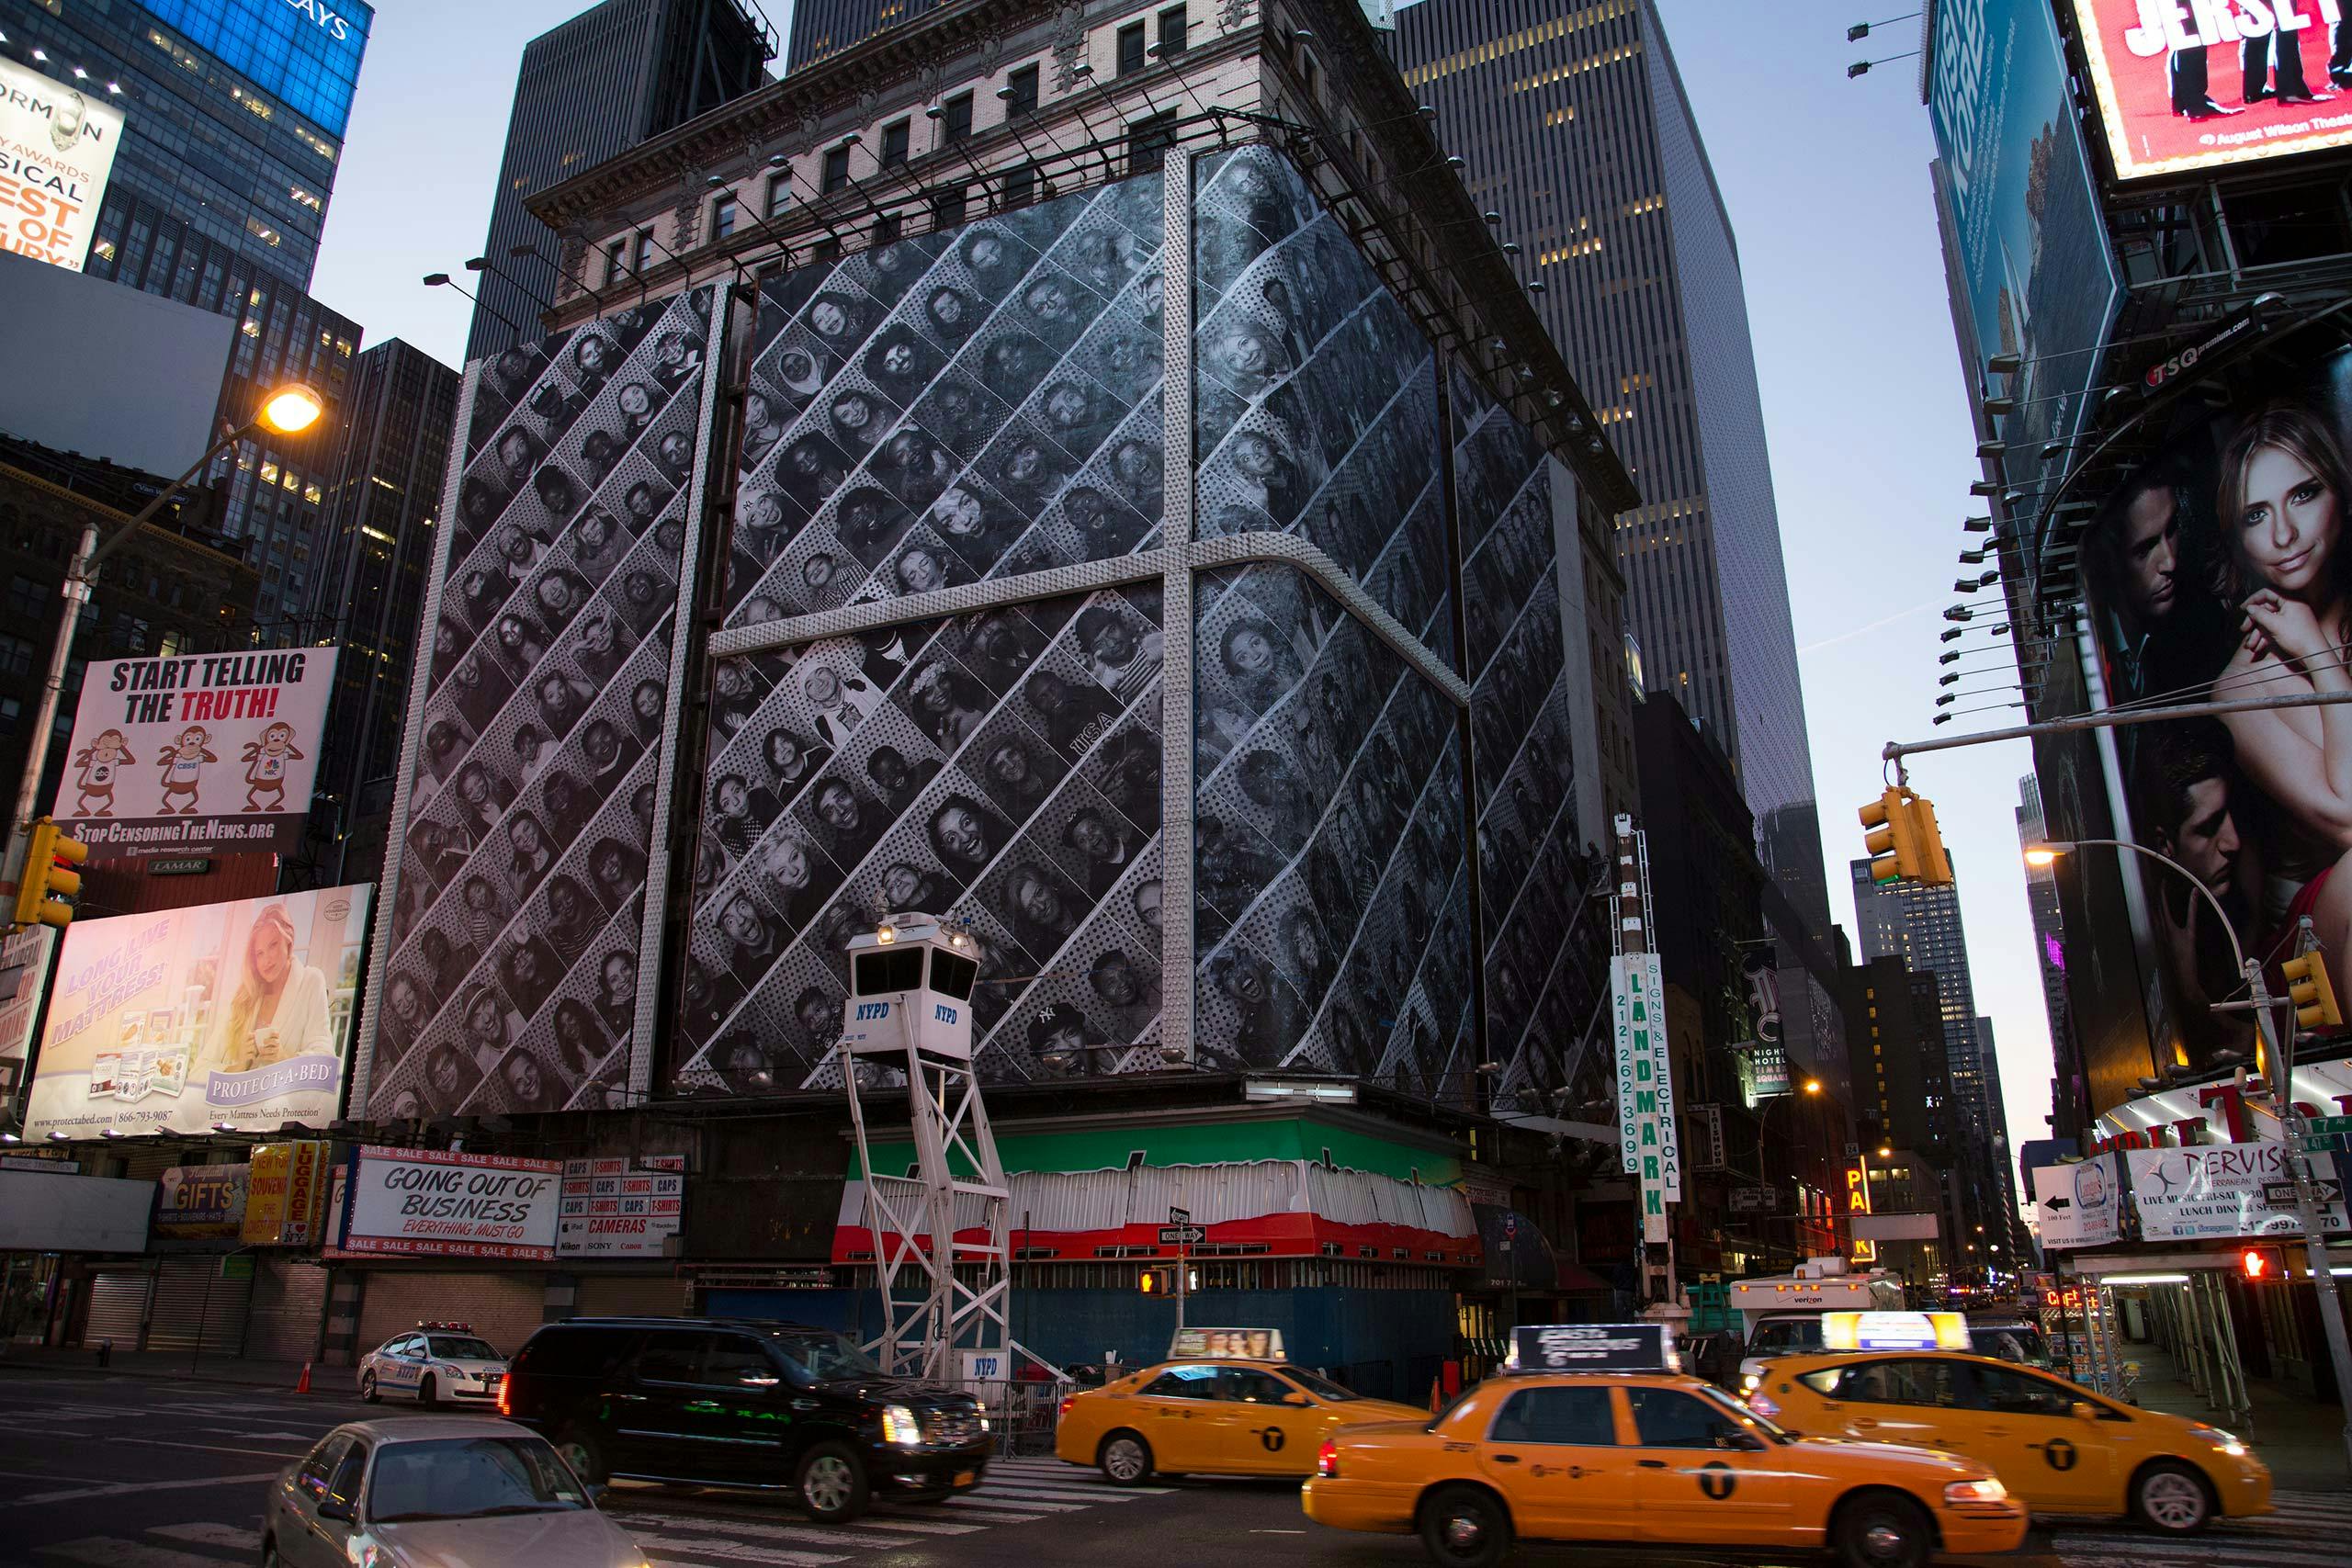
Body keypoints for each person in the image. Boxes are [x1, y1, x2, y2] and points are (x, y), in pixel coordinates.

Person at [2211, 402, 2352, 986]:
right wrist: (2319, 656)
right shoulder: (2239, 686)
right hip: (2314, 945)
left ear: (2339, 494)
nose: (2284, 535)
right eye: (2255, 515)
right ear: (2237, 539)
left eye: (2302, 495)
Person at [2131, 720, 2261, 1066]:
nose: (2232, 843)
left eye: (2233, 816)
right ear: (2165, 845)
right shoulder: (2160, 924)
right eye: (2208, 828)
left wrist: (2192, 996)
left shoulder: (2254, 885)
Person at [201, 905, 334, 1076]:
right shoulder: (245, 996)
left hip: (282, 1100)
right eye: (259, 953)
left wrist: (284, 1058)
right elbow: (200, 1068)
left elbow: (325, 1056)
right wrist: (239, 1067)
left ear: (289, 941)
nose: (267, 960)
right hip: (240, 1097)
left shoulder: (311, 981)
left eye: (273, 945)